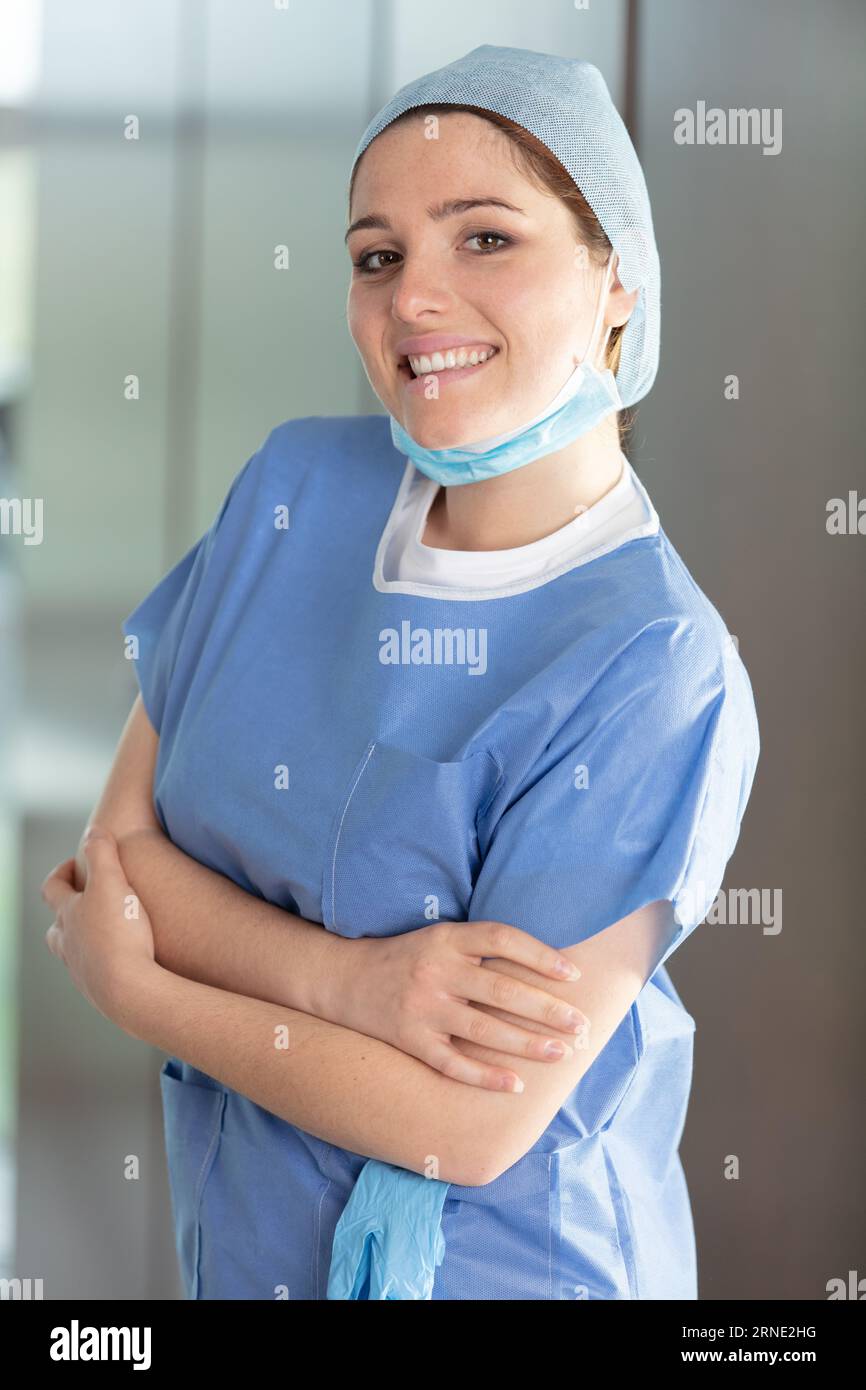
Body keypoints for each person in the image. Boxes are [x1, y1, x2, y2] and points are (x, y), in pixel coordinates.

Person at [41, 45, 759, 1300]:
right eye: (377, 256)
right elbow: (118, 858)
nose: (414, 298)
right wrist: (355, 983)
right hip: (243, 1248)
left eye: (483, 238)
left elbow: (467, 1122)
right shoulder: (291, 493)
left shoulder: (652, 662)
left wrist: (140, 989)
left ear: (616, 281)